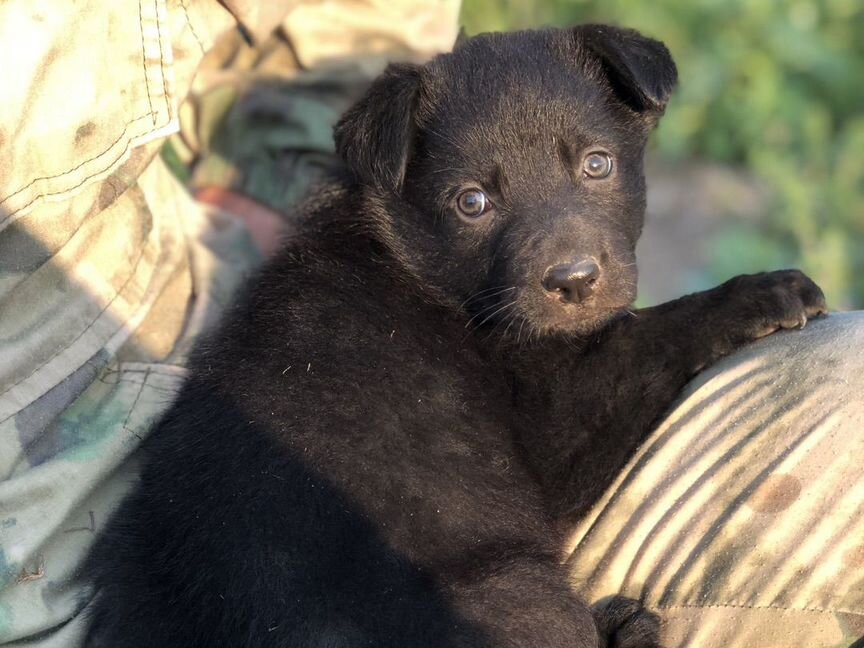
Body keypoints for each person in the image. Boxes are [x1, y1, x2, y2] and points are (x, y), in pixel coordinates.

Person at [0, 2, 860, 647]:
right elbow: (563, 430)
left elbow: (343, 31)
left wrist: (258, 197)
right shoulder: (367, 302)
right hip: (144, 587)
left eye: (594, 164)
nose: (567, 252)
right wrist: (707, 318)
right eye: (476, 201)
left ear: (637, 124)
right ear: (398, 193)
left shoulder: (333, 291)